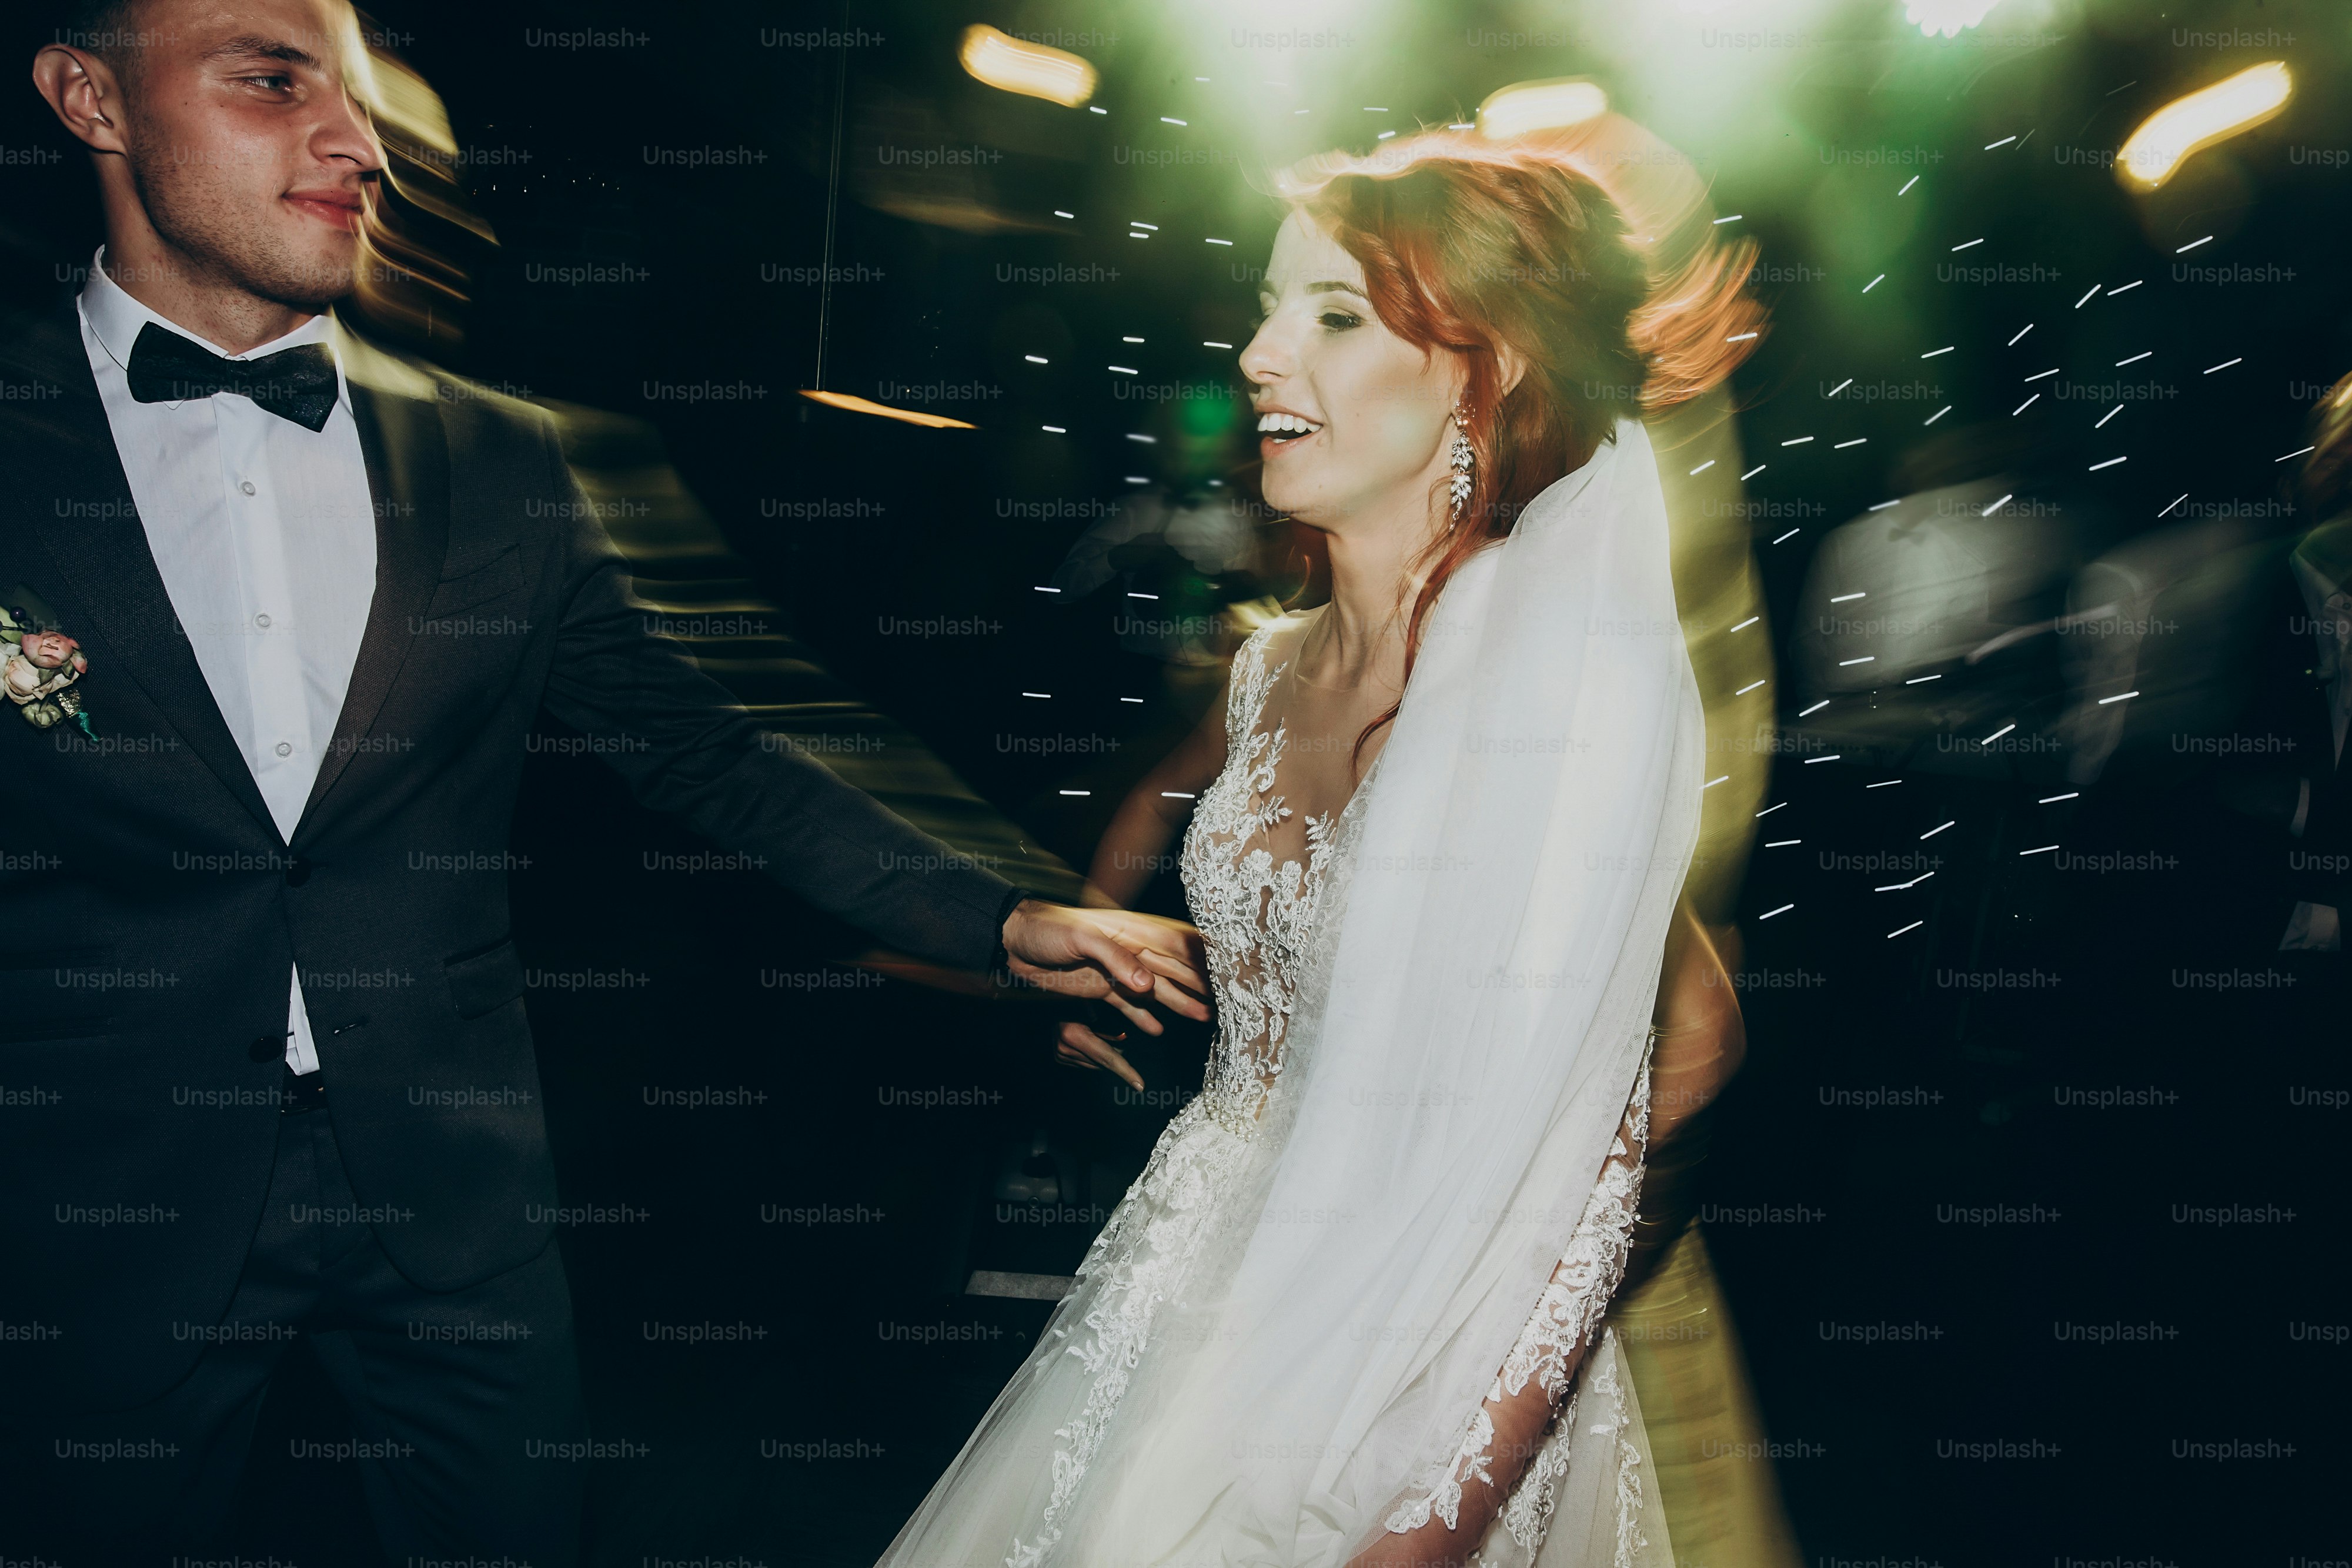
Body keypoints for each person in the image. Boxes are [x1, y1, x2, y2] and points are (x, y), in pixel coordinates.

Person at [0, 0, 1203, 1557]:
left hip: (448, 1197)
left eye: (353, 98)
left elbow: (717, 744)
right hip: (107, 1193)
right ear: (91, 97)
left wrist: (1002, 918)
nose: (353, 141)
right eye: (273, 79)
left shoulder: (500, 464)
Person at [878, 133, 1751, 1568]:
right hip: (1190, 1259)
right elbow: (1159, 803)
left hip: (1413, 1350)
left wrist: (1451, 1488)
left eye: (1335, 314)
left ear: (1487, 369)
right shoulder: (1271, 666)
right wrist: (1092, 946)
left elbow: (1694, 1042)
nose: (1263, 353)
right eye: (1272, 304)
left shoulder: (1530, 706)